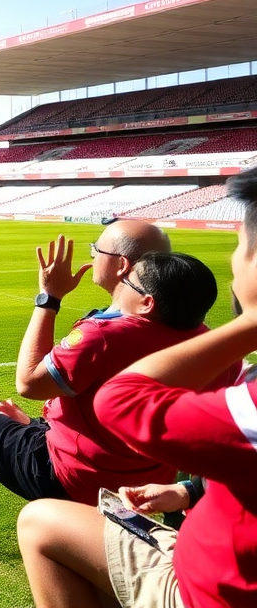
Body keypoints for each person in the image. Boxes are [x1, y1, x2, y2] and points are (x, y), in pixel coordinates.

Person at [0, 238, 222, 605]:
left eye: (128, 282)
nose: (121, 283)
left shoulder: (104, 336)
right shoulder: (207, 343)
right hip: (142, 481)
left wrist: (48, 298)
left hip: (72, 476)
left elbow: (28, 382)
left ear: (147, 303)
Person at [16, 172, 257, 608]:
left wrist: (250, 323)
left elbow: (121, 399)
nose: (235, 261)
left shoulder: (248, 408)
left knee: (39, 521)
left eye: (243, 246)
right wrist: (189, 492)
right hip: (200, 552)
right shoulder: (239, 383)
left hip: (206, 592)